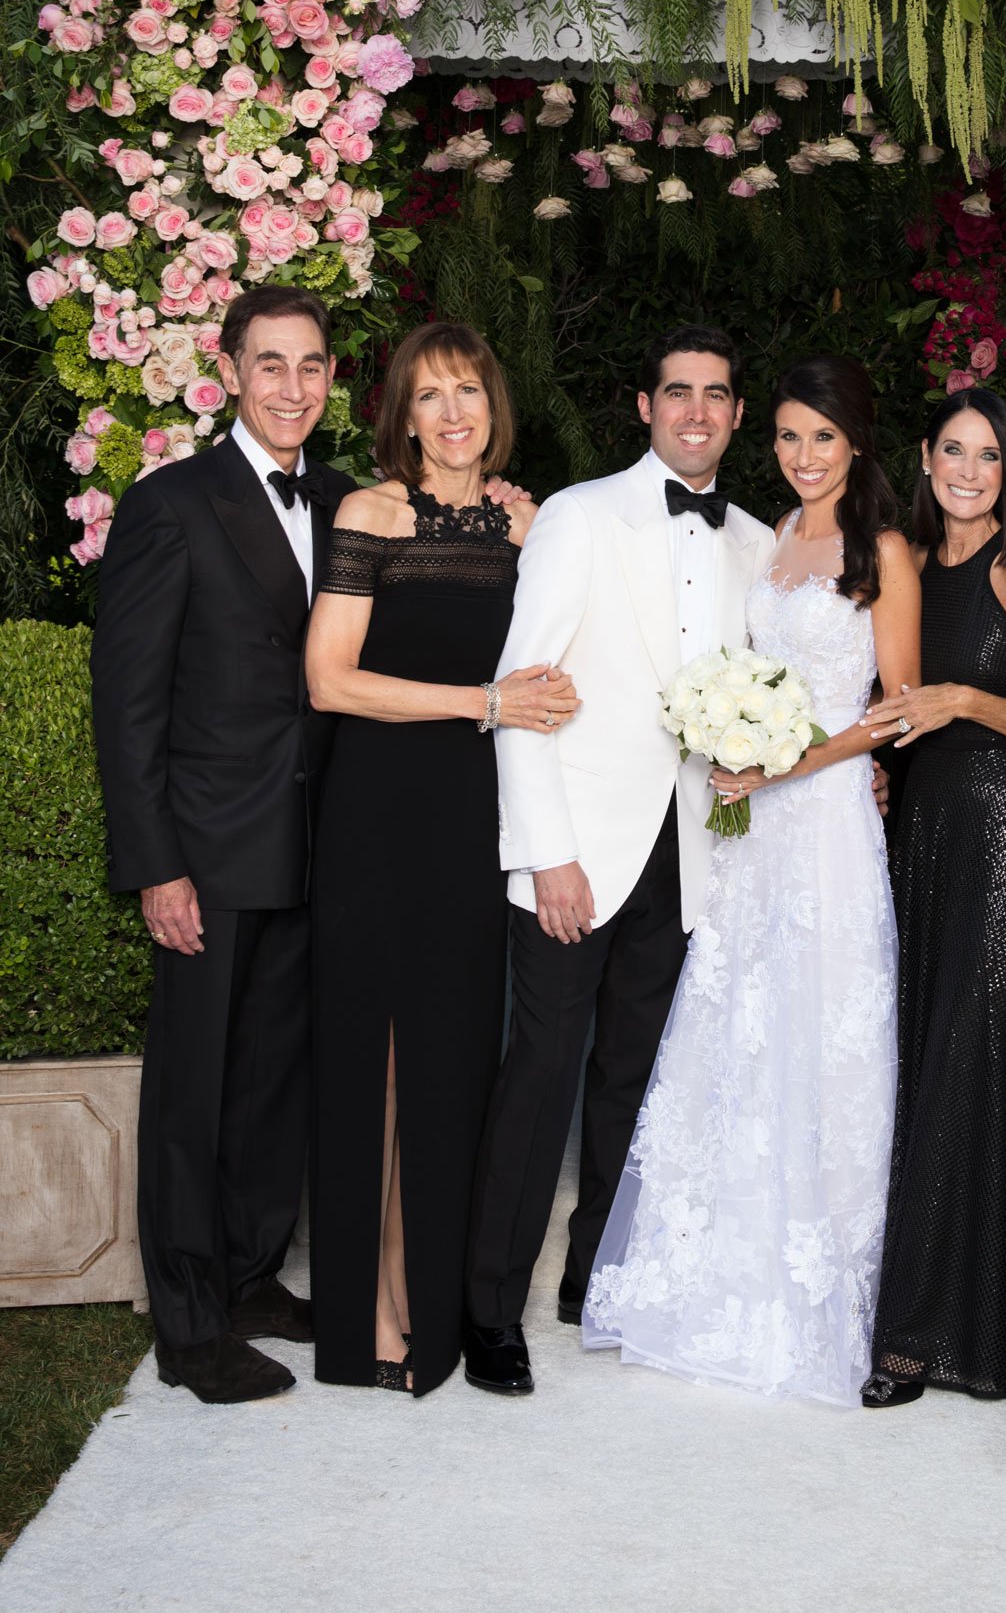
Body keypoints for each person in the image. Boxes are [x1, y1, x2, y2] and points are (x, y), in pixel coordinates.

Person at [582, 355, 921, 1406]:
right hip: (751, 831)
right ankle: (720, 1268)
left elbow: (897, 707)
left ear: (855, 442)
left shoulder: (886, 551)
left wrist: (792, 760)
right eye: (785, 436)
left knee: (823, 1039)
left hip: (822, 827)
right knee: (740, 1033)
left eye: (821, 437)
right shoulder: (771, 541)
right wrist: (739, 755)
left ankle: (827, 1286)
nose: (803, 455)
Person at [462, 327, 777, 1397]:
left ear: (737, 415)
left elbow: (751, 732)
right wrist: (548, 855)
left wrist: (728, 864)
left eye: (718, 396)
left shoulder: (760, 545)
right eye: (677, 392)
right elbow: (524, 690)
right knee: (540, 1074)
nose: (697, 411)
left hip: (690, 857)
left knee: (635, 1082)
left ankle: (593, 1273)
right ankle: (488, 1308)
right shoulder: (580, 516)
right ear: (644, 406)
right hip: (581, 851)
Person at [304, 322, 577, 1396]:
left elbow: (563, 667)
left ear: (492, 404)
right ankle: (368, 1313)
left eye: (468, 390)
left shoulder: (528, 524)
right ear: (402, 415)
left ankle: (432, 1307)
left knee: (455, 1055)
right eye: (430, 396)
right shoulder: (370, 514)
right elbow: (329, 678)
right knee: (373, 1057)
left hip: (476, 819)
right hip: (377, 811)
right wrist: (485, 703)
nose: (453, 412)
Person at [91, 287, 350, 1404]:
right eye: (271, 365)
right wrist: (156, 863)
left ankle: (249, 1277)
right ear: (231, 371)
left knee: (273, 1088)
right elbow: (129, 703)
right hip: (204, 851)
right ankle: (191, 1322)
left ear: (332, 378)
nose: (293, 387)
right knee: (193, 1098)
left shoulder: (349, 501)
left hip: (314, 845)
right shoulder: (172, 505)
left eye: (312, 367)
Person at [858, 387, 1006, 1407]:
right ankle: (984, 1311)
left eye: (988, 457)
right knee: (925, 1054)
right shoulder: (905, 565)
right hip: (928, 830)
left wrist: (962, 700)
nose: (967, 471)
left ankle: (916, 1337)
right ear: (925, 454)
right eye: (952, 451)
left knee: (972, 1057)